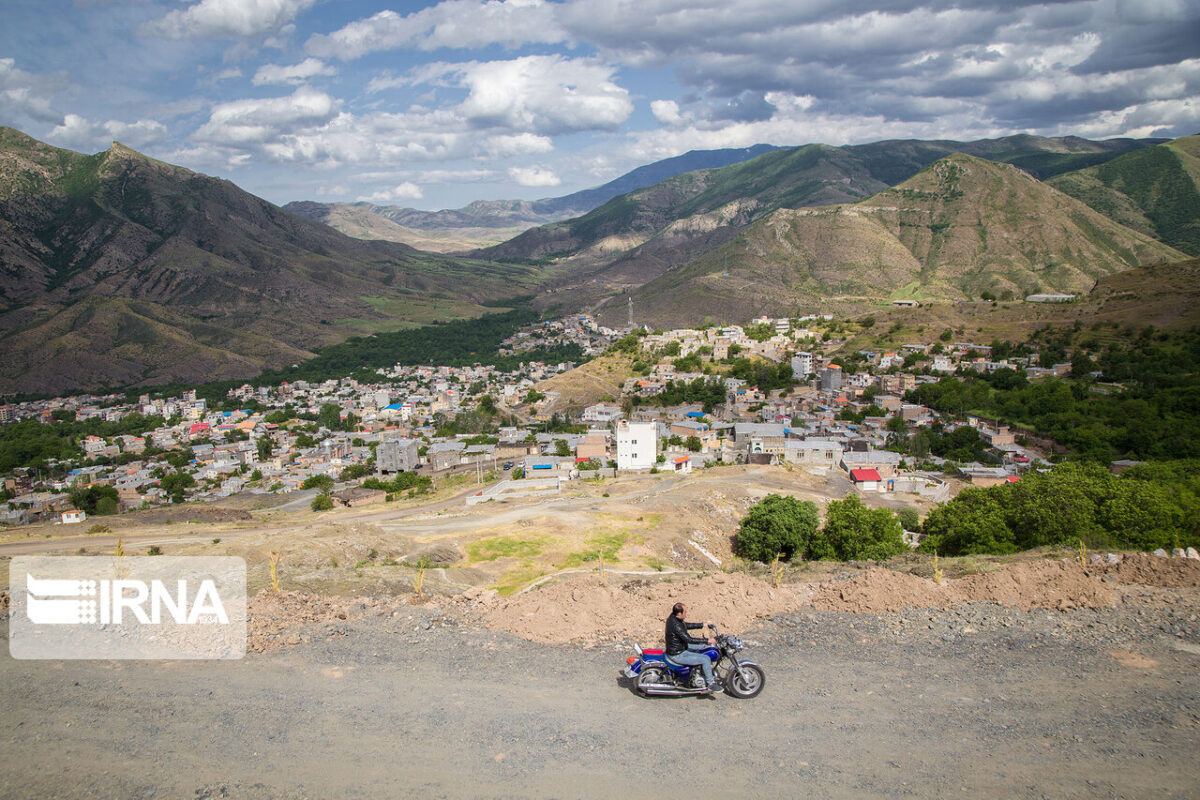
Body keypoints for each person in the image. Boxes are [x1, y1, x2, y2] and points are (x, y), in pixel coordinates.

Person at [664, 602, 719, 691]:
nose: (687, 613)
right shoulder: (676, 625)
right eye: (685, 611)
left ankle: (702, 672)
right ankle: (711, 683)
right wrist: (707, 640)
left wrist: (702, 625)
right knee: (705, 659)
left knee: (703, 647)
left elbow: (685, 625)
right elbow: (689, 639)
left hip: (679, 647)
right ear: (679, 614)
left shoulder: (674, 618)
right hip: (677, 654)